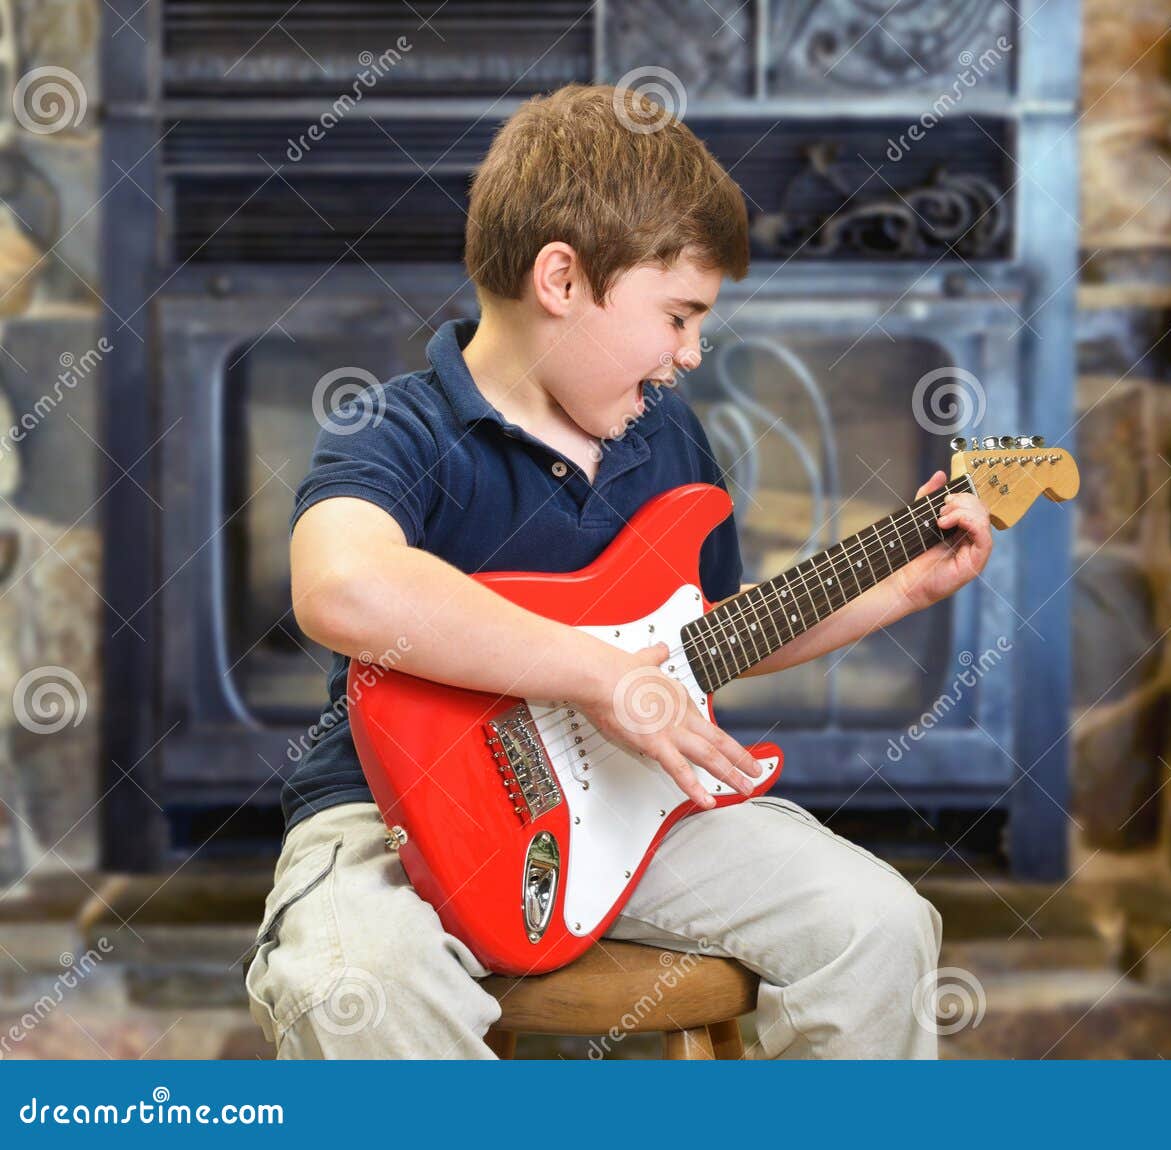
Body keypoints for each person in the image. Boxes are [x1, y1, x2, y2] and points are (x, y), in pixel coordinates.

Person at [244, 83, 993, 1059]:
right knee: (361, 985)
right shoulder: (402, 425)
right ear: (561, 279)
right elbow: (343, 586)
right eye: (677, 314)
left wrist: (896, 590)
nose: (689, 352)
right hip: (384, 814)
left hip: (636, 807)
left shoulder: (666, 437)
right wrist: (596, 675)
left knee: (877, 923)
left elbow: (694, 646)